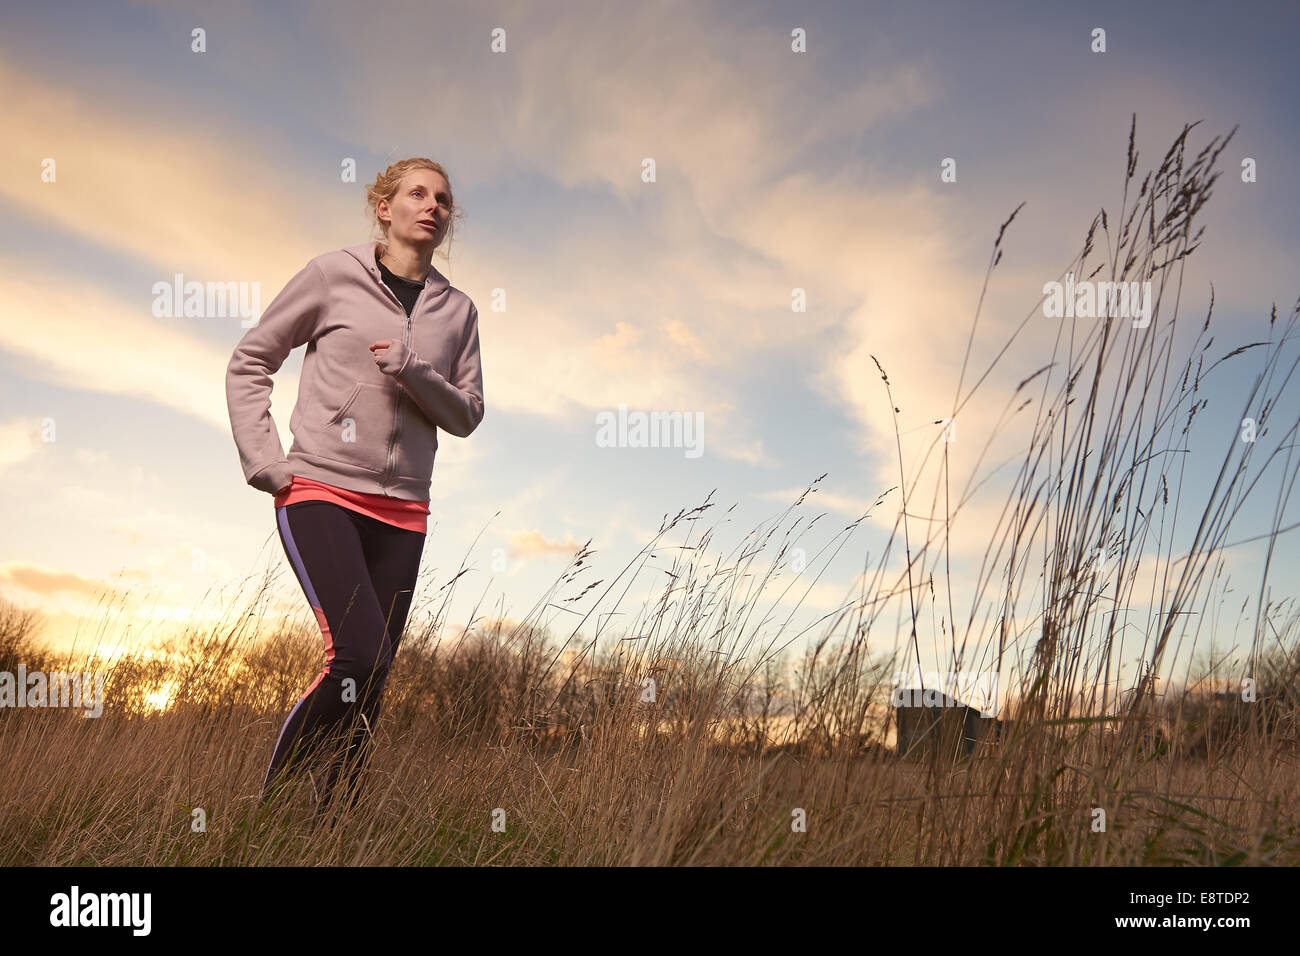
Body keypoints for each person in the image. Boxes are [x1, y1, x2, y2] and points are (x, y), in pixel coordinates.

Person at [224, 158, 485, 820]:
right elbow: (252, 358)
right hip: (322, 490)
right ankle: (267, 816)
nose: (432, 206)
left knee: (370, 686)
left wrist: (414, 370)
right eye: (418, 193)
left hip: (404, 512)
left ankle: (334, 830)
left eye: (443, 199)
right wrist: (265, 459)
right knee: (358, 653)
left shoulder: (458, 311)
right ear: (383, 206)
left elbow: (465, 416)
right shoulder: (331, 275)